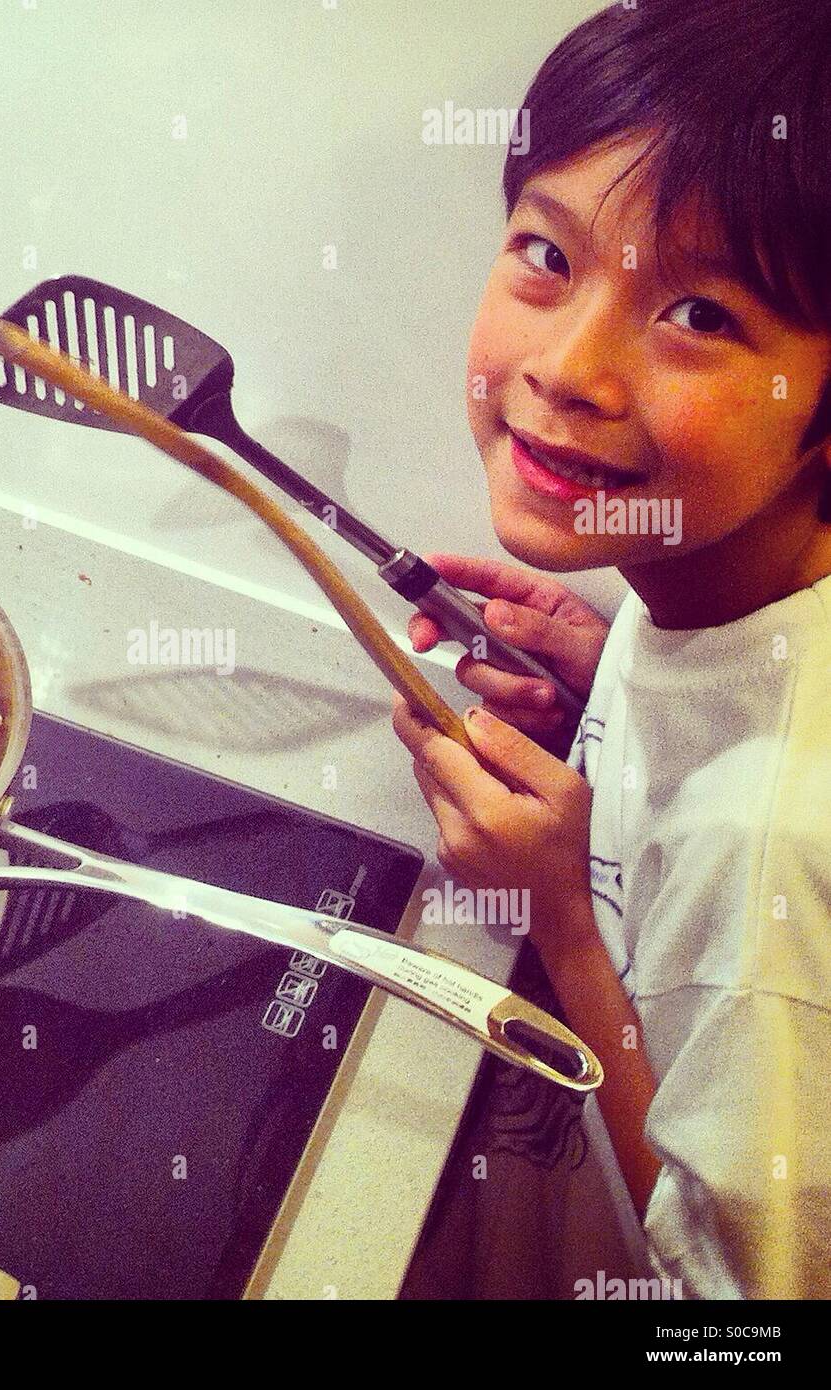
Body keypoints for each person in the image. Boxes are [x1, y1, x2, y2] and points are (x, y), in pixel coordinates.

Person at [390, 0, 831, 1298]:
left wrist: (564, 928)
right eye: (545, 251)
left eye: (697, 313)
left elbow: (740, 1312)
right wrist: (612, 678)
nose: (569, 365)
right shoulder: (710, 573)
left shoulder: (768, 848)